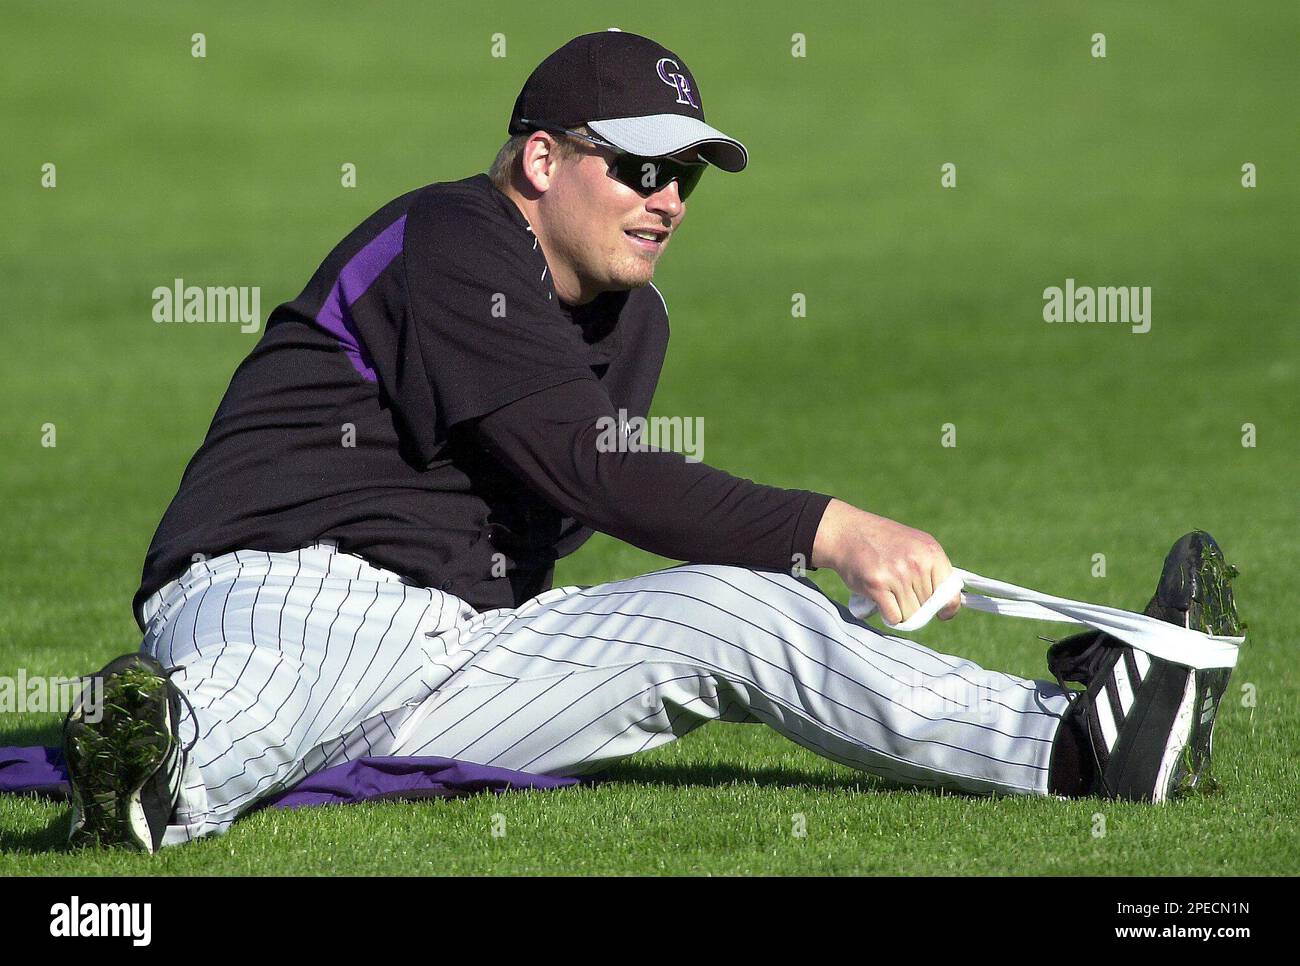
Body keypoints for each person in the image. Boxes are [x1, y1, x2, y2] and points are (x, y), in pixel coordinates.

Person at [62, 30, 1240, 852]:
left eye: (684, 175)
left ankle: (1081, 748)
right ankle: (154, 765)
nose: (667, 196)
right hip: (281, 583)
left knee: (745, 610)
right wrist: (831, 526)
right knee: (303, 663)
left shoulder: (635, 321)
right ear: (540, 160)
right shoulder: (450, 237)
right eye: (635, 164)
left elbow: (567, 508)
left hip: (467, 654)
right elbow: (595, 476)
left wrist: (784, 556)